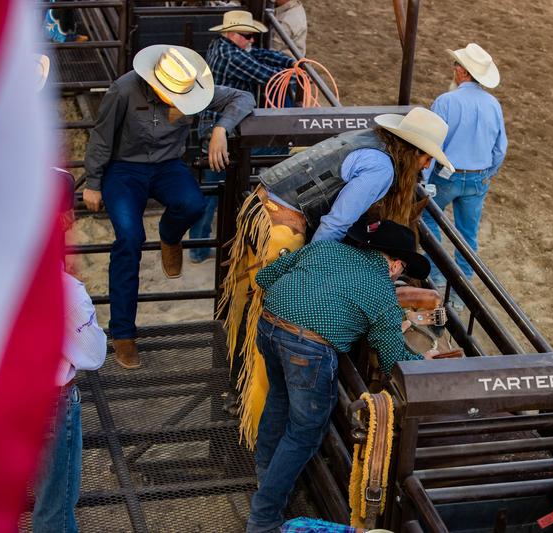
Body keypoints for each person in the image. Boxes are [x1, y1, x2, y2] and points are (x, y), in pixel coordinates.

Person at [220, 106, 453, 447]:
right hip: (282, 228)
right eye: (427, 157)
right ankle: (253, 426)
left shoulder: (370, 141)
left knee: (254, 303)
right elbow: (335, 223)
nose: (427, 166)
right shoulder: (381, 169)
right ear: (413, 150)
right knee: (270, 312)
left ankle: (242, 399)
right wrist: (313, 270)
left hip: (263, 209)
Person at [247, 218, 433, 533]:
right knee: (304, 432)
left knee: (279, 398)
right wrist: (424, 360)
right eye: (402, 270)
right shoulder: (381, 290)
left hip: (268, 326)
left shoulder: (324, 248)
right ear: (395, 265)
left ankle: (265, 475)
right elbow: (391, 359)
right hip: (308, 350)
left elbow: (265, 277)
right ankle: (263, 519)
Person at [82, 45, 254, 369]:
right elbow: (101, 136)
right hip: (124, 169)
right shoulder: (123, 90)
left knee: (193, 203)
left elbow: (243, 98)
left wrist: (221, 128)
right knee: (129, 240)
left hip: (167, 165)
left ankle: (169, 236)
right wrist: (93, 182)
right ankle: (123, 334)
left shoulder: (195, 85)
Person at [32, 170, 107, 533]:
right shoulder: (64, 290)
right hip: (47, 402)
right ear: (64, 218)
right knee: (54, 509)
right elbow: (93, 355)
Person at [189, 9, 297, 264]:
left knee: (214, 187)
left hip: (225, 129)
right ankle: (207, 242)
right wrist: (291, 70)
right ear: (231, 34)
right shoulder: (230, 55)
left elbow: (261, 55)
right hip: (223, 130)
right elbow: (266, 74)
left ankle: (199, 246)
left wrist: (289, 62)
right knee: (276, 152)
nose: (251, 41)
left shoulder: (224, 47)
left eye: (252, 36)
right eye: (247, 36)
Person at [421, 43, 507, 308]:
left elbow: (432, 142)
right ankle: (462, 290)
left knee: (427, 217)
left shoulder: (446, 101)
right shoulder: (493, 105)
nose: (454, 69)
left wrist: (425, 177)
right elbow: (500, 148)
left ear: (464, 73)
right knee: (467, 233)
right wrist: (486, 174)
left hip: (448, 174)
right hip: (478, 176)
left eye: (456, 65)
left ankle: (436, 276)